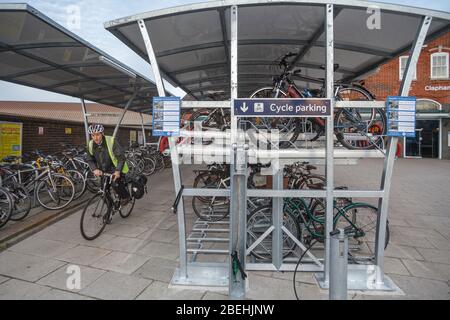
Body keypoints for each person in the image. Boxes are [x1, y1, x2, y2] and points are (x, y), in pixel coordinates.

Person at [86, 124, 131, 206]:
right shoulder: (91, 144)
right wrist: (94, 169)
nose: (95, 138)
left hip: (116, 168)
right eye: (93, 135)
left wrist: (117, 171)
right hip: (103, 170)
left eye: (97, 135)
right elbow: (90, 159)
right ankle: (110, 209)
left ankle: (126, 197)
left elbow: (121, 158)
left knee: (115, 184)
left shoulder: (111, 141)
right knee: (103, 191)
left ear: (102, 133)